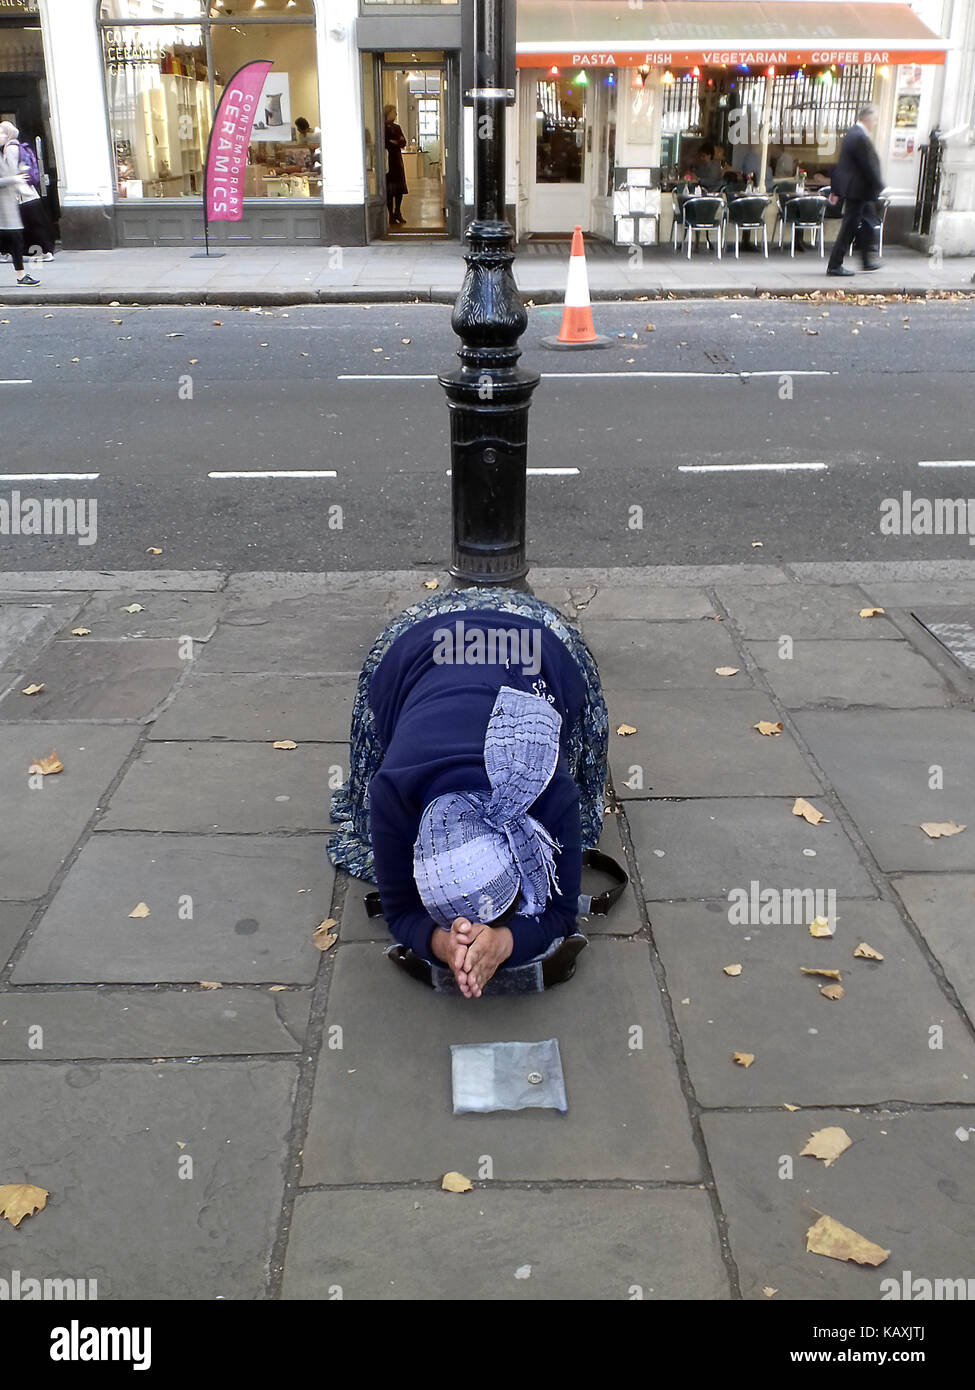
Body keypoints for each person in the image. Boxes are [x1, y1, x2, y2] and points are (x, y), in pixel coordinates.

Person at [327, 588, 609, 998]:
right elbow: (402, 908)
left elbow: (563, 912)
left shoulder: (548, 785)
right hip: (420, 643)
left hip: (534, 638)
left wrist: (502, 942)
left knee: (582, 806)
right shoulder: (391, 792)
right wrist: (444, 944)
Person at [826, 103, 885, 276]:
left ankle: (866, 260)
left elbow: (842, 165)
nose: (875, 123)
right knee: (849, 227)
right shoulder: (859, 137)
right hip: (858, 190)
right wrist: (880, 185)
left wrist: (836, 190)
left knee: (867, 222)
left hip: (859, 190)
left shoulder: (852, 134)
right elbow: (868, 166)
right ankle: (835, 265)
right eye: (874, 119)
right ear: (867, 118)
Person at [1, 123, 54, 261]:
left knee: (19, 225)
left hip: (20, 194)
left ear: (8, 134)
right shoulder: (17, 145)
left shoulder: (10, 149)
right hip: (27, 193)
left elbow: (12, 171)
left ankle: (10, 253)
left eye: (2, 133)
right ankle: (43, 251)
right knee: (33, 224)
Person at [0, 122, 38, 287]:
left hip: (7, 204)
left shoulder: (3, 153)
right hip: (3, 207)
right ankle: (21, 276)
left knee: (16, 240)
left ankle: (21, 276)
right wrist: (13, 179)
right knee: (15, 240)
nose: (2, 136)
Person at [383, 104, 408, 226]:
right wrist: (396, 141)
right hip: (388, 160)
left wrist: (396, 142)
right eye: (394, 112)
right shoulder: (382, 127)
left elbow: (403, 142)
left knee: (399, 189)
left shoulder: (397, 127)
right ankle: (391, 215)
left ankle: (397, 211)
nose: (396, 114)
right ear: (388, 113)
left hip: (397, 160)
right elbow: (386, 142)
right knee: (389, 190)